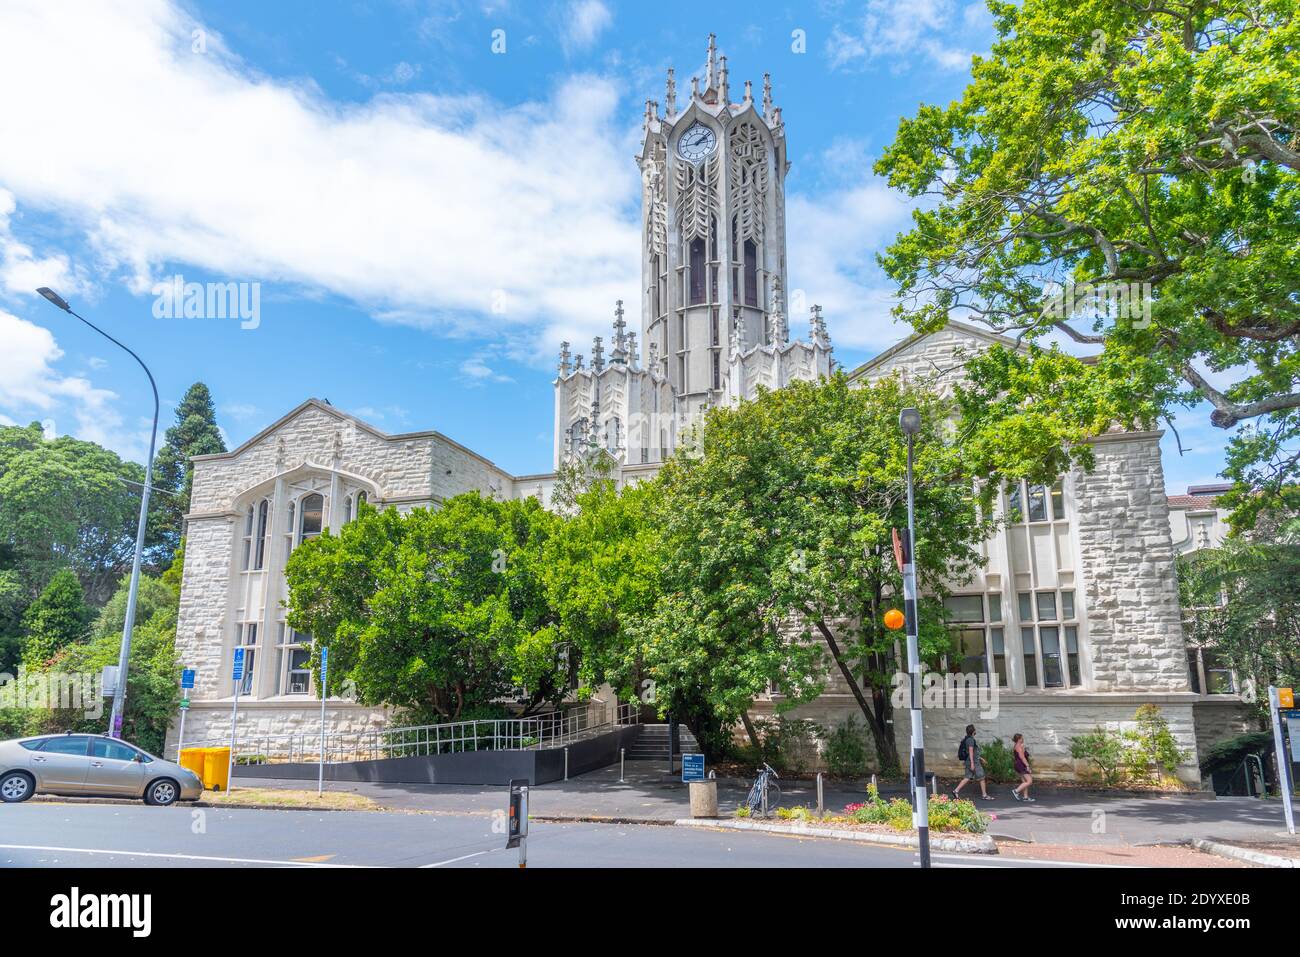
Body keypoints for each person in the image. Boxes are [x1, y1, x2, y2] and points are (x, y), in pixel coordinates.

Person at [951, 724, 993, 801]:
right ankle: (984, 795)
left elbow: (973, 752)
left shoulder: (967, 739)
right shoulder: (970, 740)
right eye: (975, 730)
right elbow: (970, 752)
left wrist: (981, 758)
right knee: (982, 777)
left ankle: (955, 791)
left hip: (969, 761)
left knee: (967, 777)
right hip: (974, 762)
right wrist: (973, 763)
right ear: (973, 731)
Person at [1011, 733, 1035, 802]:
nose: (1023, 739)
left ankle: (1025, 797)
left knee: (1024, 781)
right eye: (1022, 738)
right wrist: (1027, 765)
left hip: (1020, 764)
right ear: (1019, 739)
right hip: (1021, 765)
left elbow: (1023, 754)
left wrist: (1023, 748)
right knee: (1029, 781)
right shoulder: (1018, 746)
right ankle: (1016, 791)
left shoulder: (1019, 746)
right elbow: (1022, 757)